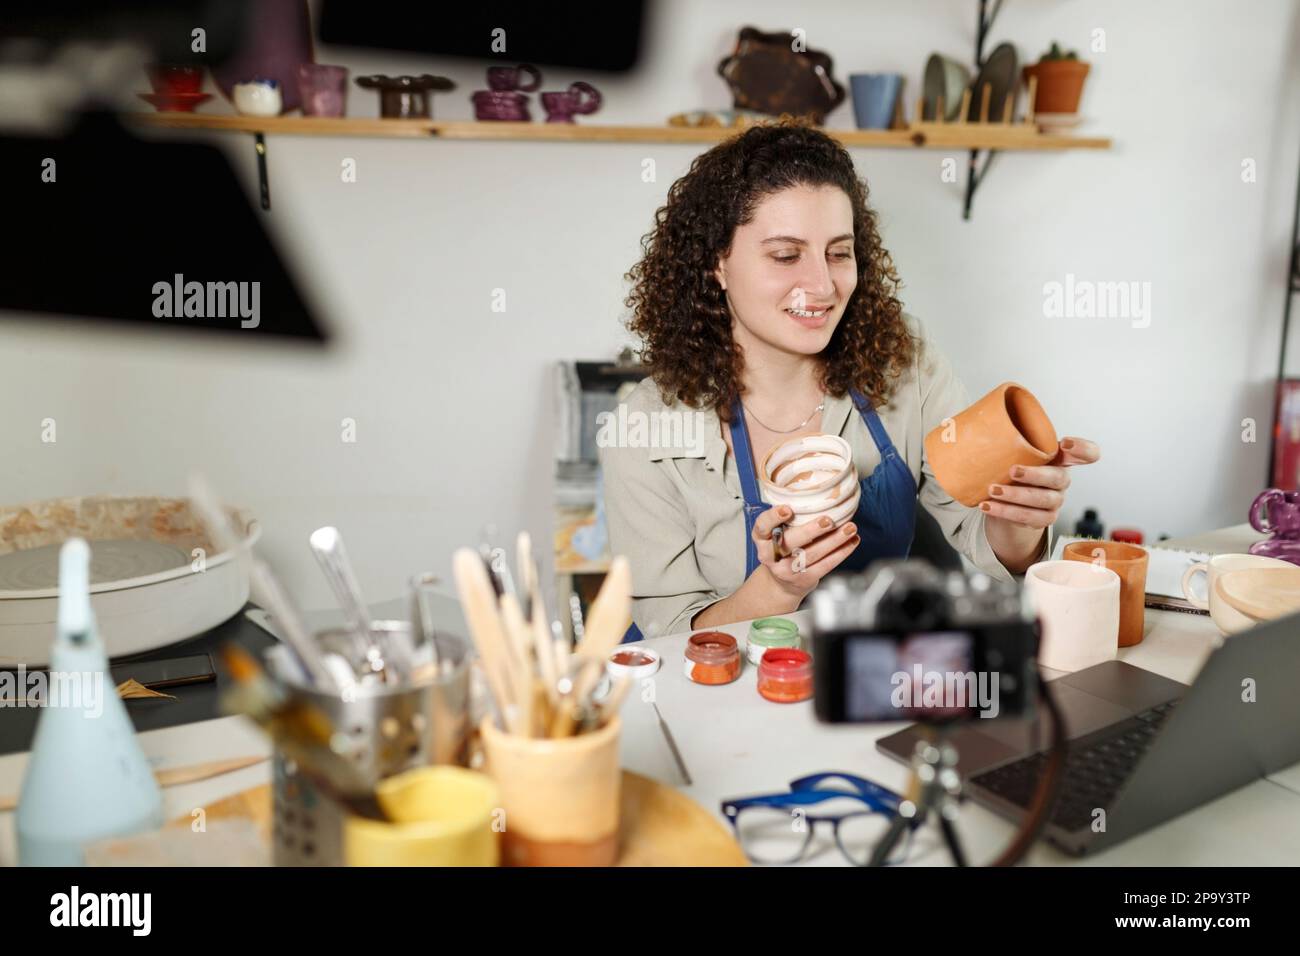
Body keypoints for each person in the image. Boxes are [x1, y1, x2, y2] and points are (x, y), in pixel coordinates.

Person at [600, 121, 1099, 640]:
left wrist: (1019, 518)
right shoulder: (644, 430)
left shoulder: (902, 362)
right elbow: (671, 639)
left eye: (839, 252)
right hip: (712, 701)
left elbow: (984, 536)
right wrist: (778, 589)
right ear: (717, 263)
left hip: (863, 676)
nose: (821, 284)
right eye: (786, 255)